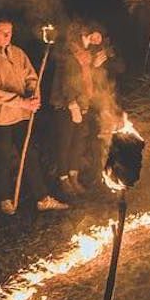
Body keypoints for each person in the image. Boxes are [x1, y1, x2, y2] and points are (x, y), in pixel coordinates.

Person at [0, 18, 69, 215]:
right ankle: (5, 200)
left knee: (30, 155)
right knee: (3, 158)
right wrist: (22, 101)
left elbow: (31, 77)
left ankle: (42, 198)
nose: (7, 36)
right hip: (0, 118)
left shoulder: (18, 53)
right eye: (2, 32)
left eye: (9, 32)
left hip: (21, 115)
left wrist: (34, 98)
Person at [50, 24, 104, 197]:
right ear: (79, 37)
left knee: (78, 142)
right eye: (88, 37)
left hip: (82, 104)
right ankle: (64, 179)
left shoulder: (84, 57)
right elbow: (68, 82)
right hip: (66, 105)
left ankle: (74, 176)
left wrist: (94, 66)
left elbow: (84, 79)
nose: (90, 41)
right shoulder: (69, 55)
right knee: (65, 143)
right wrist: (72, 104)